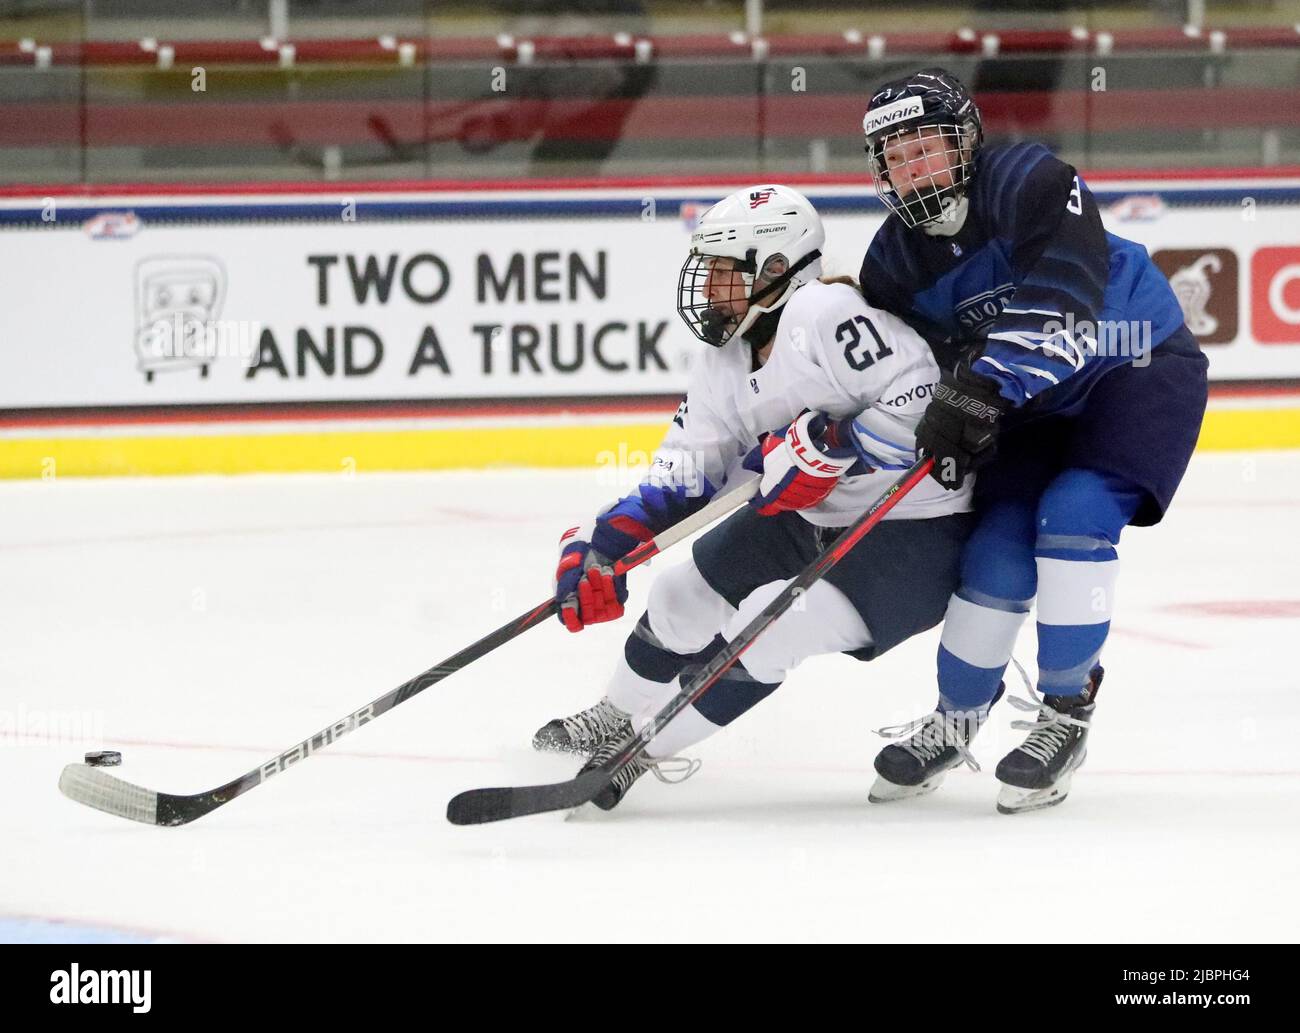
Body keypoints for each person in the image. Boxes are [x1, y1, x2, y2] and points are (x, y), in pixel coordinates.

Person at [529, 183, 976, 811]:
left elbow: (927, 401)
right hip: (812, 516)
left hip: (913, 529)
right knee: (680, 594)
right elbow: (687, 472)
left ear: (775, 270)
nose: (708, 289)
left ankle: (642, 753)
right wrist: (604, 547)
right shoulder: (725, 357)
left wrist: (833, 441)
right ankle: (615, 715)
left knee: (772, 623)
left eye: (721, 273)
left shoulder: (824, 315)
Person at [857, 68, 1209, 813]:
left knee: (1075, 517)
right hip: (1028, 401)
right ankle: (956, 717)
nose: (915, 168)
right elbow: (914, 369)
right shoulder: (890, 265)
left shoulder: (1031, 180)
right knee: (996, 552)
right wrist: (929, 415)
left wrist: (979, 387)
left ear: (968, 142)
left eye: (928, 147)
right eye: (897, 156)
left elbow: (1067, 302)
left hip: (1133, 367)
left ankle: (1064, 712)